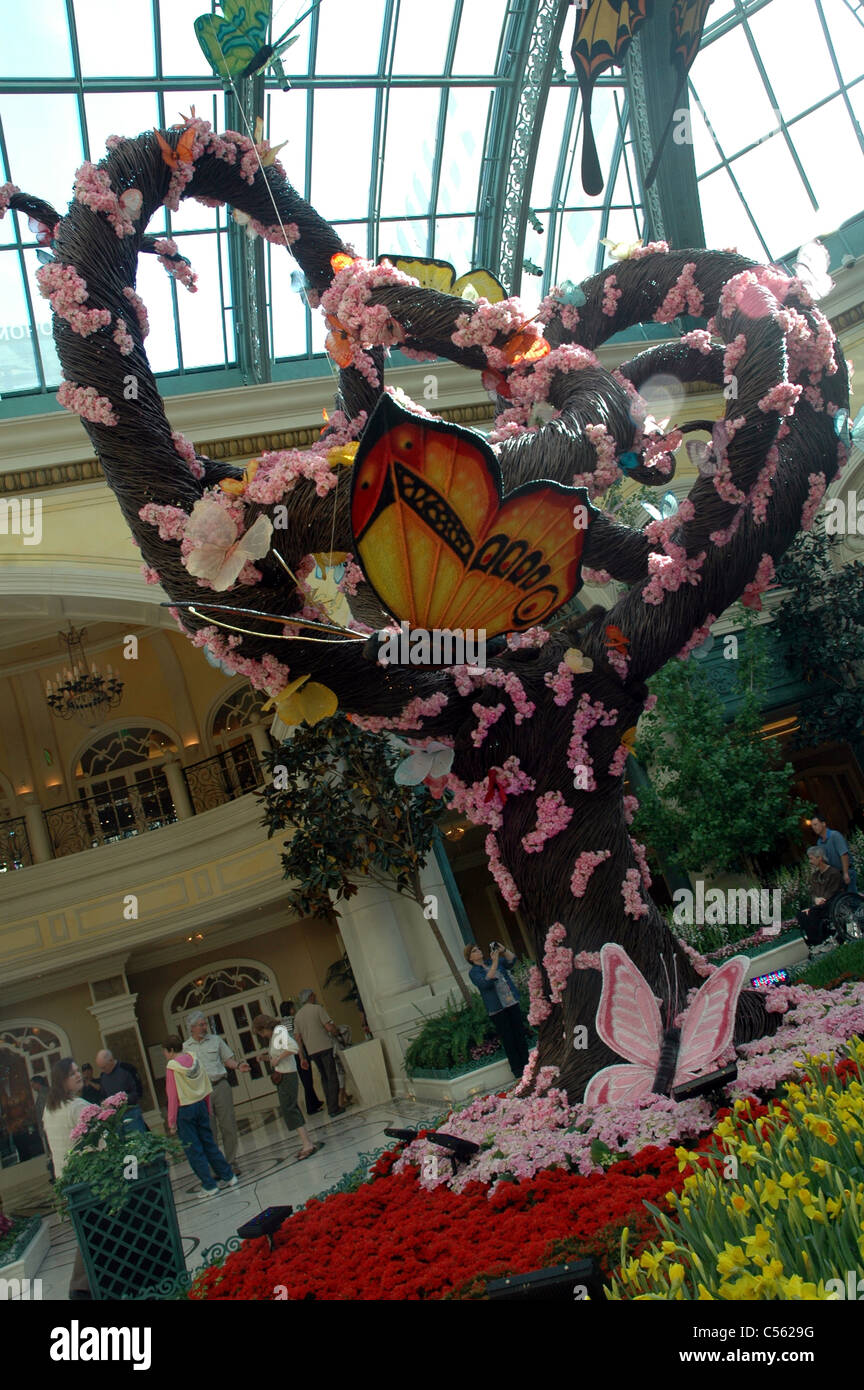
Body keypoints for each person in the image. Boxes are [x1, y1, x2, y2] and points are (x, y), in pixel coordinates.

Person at [163, 1035, 237, 1199]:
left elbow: (172, 1096)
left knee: (194, 1150)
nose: (165, 1055)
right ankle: (229, 1176)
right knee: (209, 1143)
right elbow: (205, 1083)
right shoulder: (194, 1059)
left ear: (170, 1050)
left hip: (185, 1109)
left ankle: (209, 1185)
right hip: (201, 1104)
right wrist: (207, 1104)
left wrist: (171, 1122)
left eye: (165, 1052)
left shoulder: (172, 1067)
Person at [42, 1059, 91, 1299]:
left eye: (78, 1071)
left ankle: (83, 1286)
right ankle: (79, 1288)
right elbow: (98, 1141)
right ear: (62, 1080)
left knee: (86, 1231)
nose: (78, 1075)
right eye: (72, 1073)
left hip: (65, 1181)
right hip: (85, 1179)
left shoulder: (50, 1109)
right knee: (91, 1231)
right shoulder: (77, 1106)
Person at [184, 1012, 251, 1176]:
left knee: (228, 1125)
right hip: (201, 1092)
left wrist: (237, 1066)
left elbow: (227, 1059)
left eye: (205, 1024)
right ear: (192, 1028)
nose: (204, 1027)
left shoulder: (216, 1040)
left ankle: (231, 1161)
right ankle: (216, 1166)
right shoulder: (186, 1048)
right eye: (201, 1024)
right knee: (209, 1130)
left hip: (220, 1086)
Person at [252, 1015, 319, 1160]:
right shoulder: (276, 1035)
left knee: (289, 1107)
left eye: (261, 1032)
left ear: (264, 1027)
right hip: (284, 1074)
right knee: (289, 1108)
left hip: (287, 1075)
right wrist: (265, 1058)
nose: (262, 1036)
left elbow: (293, 1048)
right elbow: (279, 1054)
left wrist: (278, 1058)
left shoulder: (279, 1031)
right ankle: (306, 1142)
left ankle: (307, 1143)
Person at [465, 942, 530, 1079]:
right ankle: (518, 1071)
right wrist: (494, 963)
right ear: (470, 958)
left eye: (478, 949)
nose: (478, 952)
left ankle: (529, 1065)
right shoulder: (474, 972)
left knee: (519, 1034)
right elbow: (485, 983)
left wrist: (504, 950)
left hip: (511, 1002)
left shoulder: (492, 961)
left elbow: (512, 960)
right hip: (497, 1009)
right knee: (508, 1039)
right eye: (474, 951)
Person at [293, 989, 344, 1117]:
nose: (315, 997)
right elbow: (329, 1027)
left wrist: (302, 1057)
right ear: (310, 997)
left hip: (311, 1051)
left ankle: (331, 1104)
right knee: (332, 1077)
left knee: (324, 1078)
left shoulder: (298, 1016)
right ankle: (334, 1108)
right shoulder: (317, 1009)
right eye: (314, 995)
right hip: (324, 1047)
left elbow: (297, 1038)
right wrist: (336, 1032)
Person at [279, 1000, 323, 1115]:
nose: (295, 1009)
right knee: (307, 1079)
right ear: (289, 1009)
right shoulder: (293, 1020)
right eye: (293, 1008)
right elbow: (296, 1038)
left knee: (305, 1079)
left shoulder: (282, 1023)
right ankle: (311, 1106)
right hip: (299, 1053)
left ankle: (315, 1101)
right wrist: (302, 1055)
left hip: (292, 1055)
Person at [798, 846, 845, 949]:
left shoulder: (833, 873)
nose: (810, 861)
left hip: (833, 902)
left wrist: (817, 903)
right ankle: (814, 943)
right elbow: (813, 892)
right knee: (801, 915)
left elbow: (832, 892)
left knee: (812, 912)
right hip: (820, 904)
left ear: (819, 858)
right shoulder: (815, 876)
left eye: (811, 858)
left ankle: (820, 942)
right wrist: (815, 899)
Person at [94, 1050, 149, 1133]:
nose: (102, 1070)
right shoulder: (103, 1076)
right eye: (100, 1068)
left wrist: (123, 1100)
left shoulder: (127, 1068)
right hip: (115, 1118)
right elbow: (103, 1096)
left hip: (131, 1113)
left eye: (104, 1067)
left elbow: (138, 1092)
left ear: (111, 1060)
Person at [810, 812, 857, 892]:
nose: (814, 828)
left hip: (846, 872)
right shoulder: (819, 842)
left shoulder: (835, 835)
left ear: (823, 824)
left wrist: (846, 873)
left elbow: (844, 854)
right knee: (842, 901)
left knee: (852, 899)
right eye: (812, 826)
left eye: (816, 824)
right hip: (836, 876)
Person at [30, 1075, 54, 1182]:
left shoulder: (45, 1094)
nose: (32, 1087)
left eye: (33, 1084)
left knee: (52, 1151)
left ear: (37, 1083)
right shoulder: (42, 1094)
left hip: (49, 1128)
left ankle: (55, 1174)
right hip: (46, 1129)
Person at [332, 1023, 355, 1110]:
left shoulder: (335, 1036)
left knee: (341, 1077)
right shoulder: (335, 1038)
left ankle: (345, 1096)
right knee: (341, 1078)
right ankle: (341, 1101)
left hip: (336, 1057)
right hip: (336, 1058)